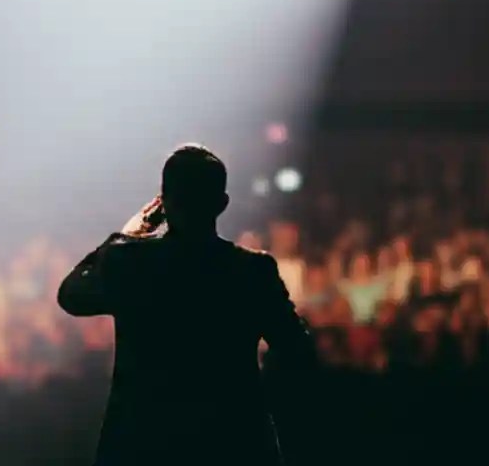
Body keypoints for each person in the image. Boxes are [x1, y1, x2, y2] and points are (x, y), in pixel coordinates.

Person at [58, 144, 315, 466]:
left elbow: (70, 295)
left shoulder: (128, 262)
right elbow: (298, 350)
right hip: (231, 442)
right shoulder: (251, 270)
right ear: (222, 204)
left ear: (162, 202)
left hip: (142, 444)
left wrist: (124, 237)